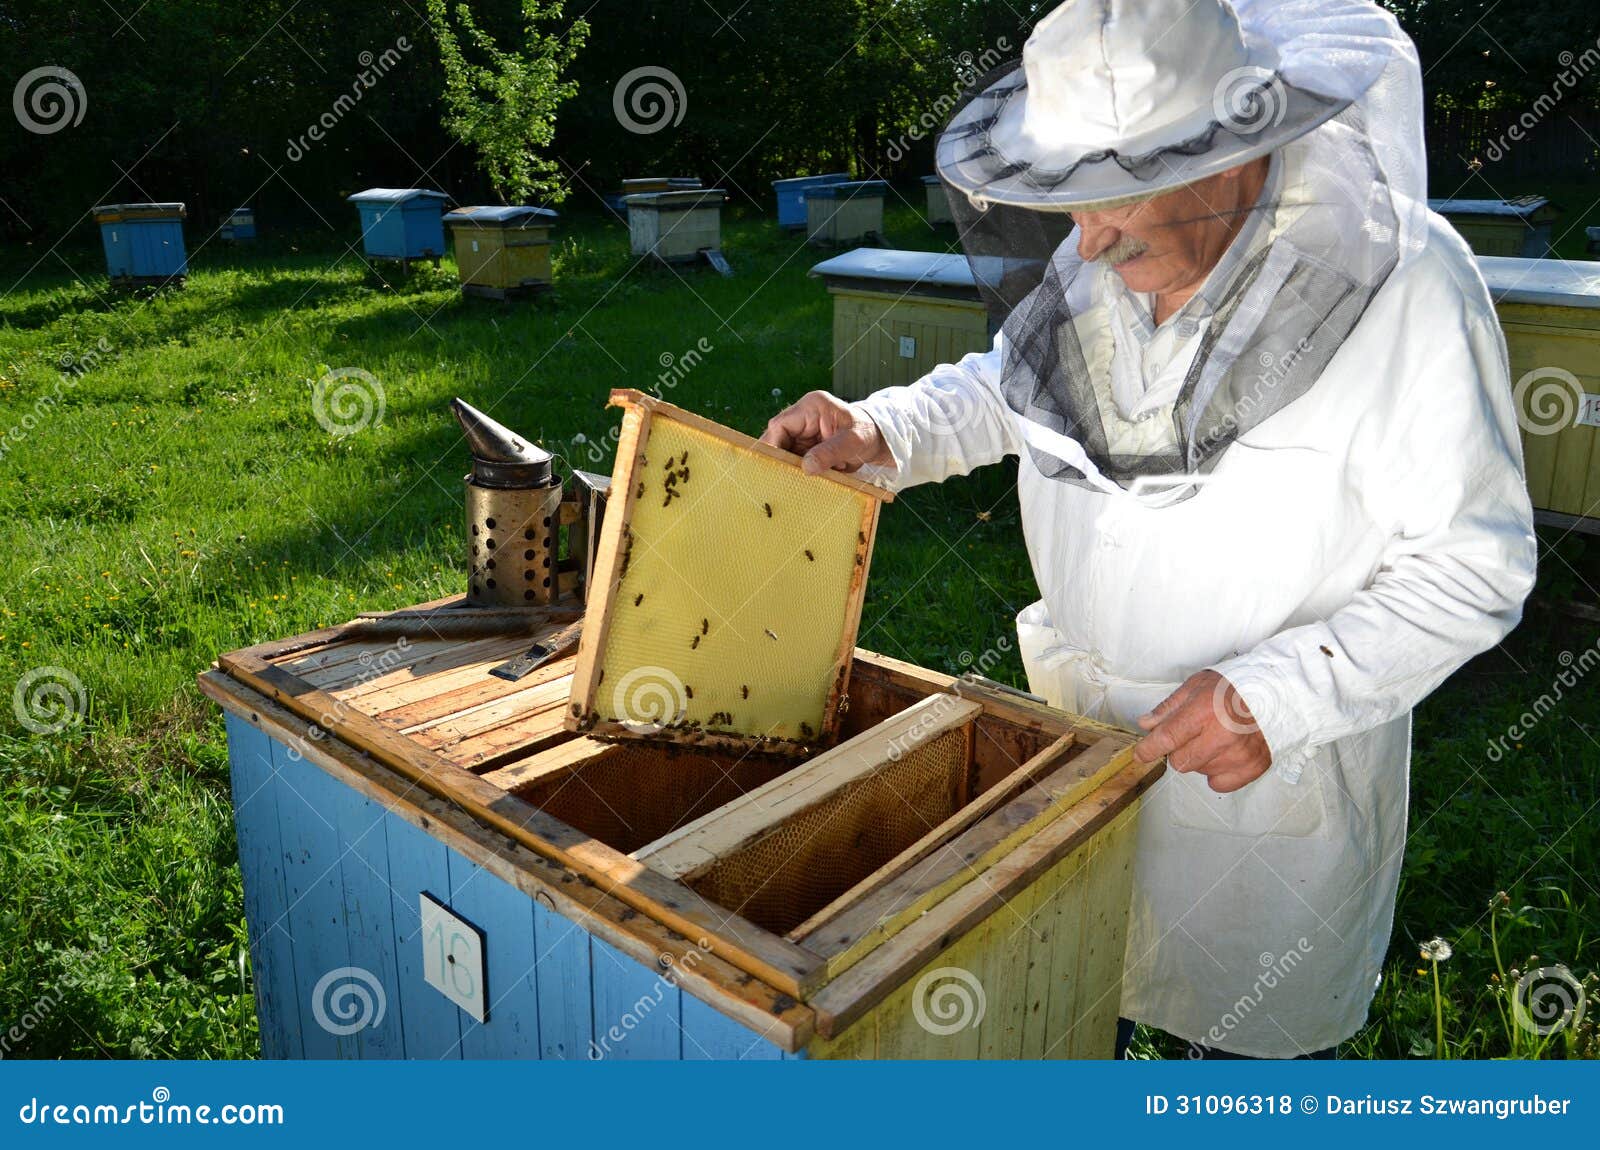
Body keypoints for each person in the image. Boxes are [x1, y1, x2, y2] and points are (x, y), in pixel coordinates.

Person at [762, 0, 1536, 1059]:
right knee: (1085, 1007)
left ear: (1226, 157)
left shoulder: (1406, 288)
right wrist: (879, 427)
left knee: (1242, 1056)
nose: (1083, 238)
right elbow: (1012, 386)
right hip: (1078, 749)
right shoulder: (1108, 248)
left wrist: (1278, 695)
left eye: (1113, 201)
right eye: (1069, 202)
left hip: (1268, 794)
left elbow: (1473, 565)